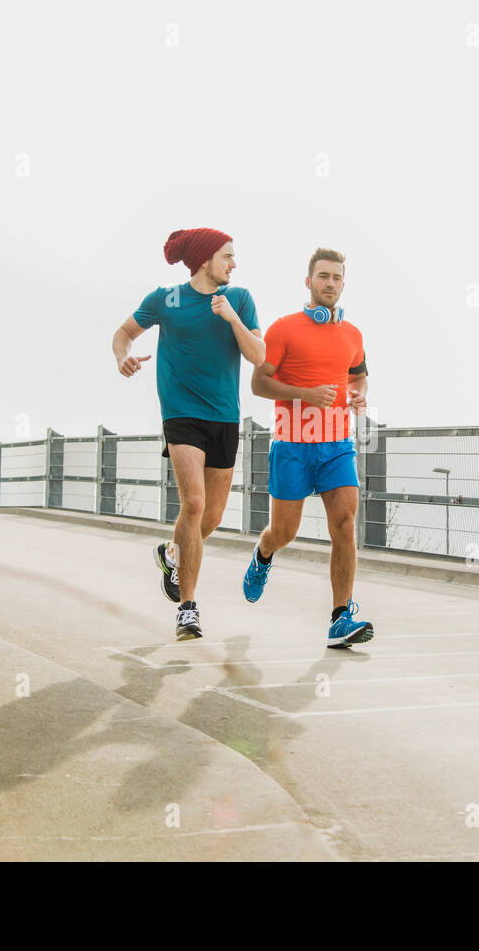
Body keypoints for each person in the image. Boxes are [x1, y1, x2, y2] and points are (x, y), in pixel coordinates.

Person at [113, 228, 264, 640]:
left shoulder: (240, 299)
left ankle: (173, 553)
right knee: (193, 504)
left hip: (224, 417)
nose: (233, 264)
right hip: (181, 415)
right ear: (203, 260)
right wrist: (124, 356)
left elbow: (258, 355)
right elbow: (123, 333)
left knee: (210, 516)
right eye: (227, 256)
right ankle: (188, 608)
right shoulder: (166, 299)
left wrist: (231, 317)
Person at [242, 247, 374, 648]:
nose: (329, 283)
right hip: (292, 445)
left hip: (337, 444)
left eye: (336, 277)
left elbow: (360, 377)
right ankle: (264, 555)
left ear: (343, 284)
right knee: (285, 531)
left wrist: (357, 394)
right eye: (323, 276)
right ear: (309, 281)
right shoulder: (283, 329)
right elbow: (259, 383)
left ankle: (340, 617)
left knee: (345, 526)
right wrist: (304, 394)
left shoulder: (352, 334)